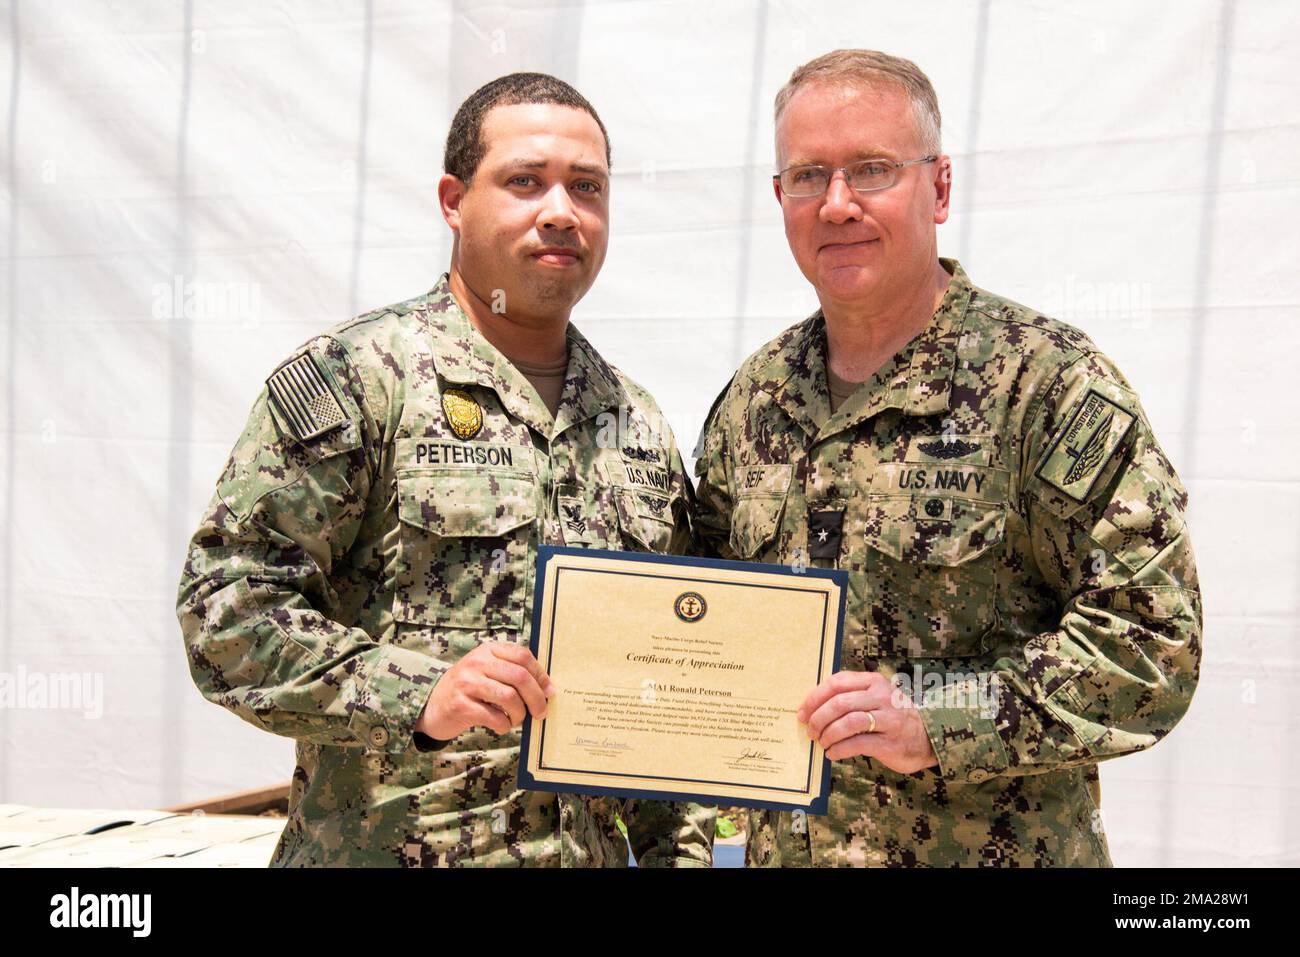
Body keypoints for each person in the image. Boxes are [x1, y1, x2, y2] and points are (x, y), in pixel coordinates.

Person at [177, 72, 714, 867]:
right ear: (453, 199)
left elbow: (673, 694)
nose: (561, 211)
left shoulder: (635, 427)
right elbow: (225, 610)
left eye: (587, 187)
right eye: (525, 181)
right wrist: (417, 693)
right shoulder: (360, 379)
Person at [692, 49, 1201, 866]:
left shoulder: (1046, 385)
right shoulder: (754, 402)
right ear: (779, 198)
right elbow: (698, 627)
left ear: (940, 188)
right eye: (807, 176)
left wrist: (937, 715)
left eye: (872, 169)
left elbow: (1151, 645)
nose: (837, 203)